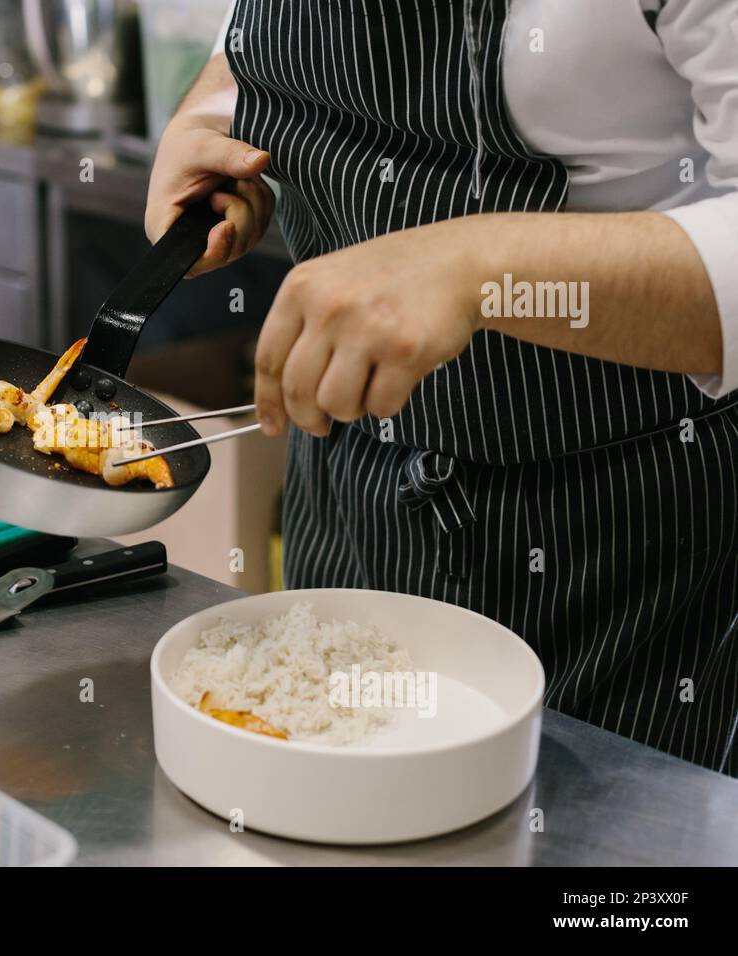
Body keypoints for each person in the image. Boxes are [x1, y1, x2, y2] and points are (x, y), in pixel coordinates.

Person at [146, 0, 738, 774]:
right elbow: (248, 39)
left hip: (627, 549)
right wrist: (208, 115)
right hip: (351, 493)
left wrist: (480, 272)